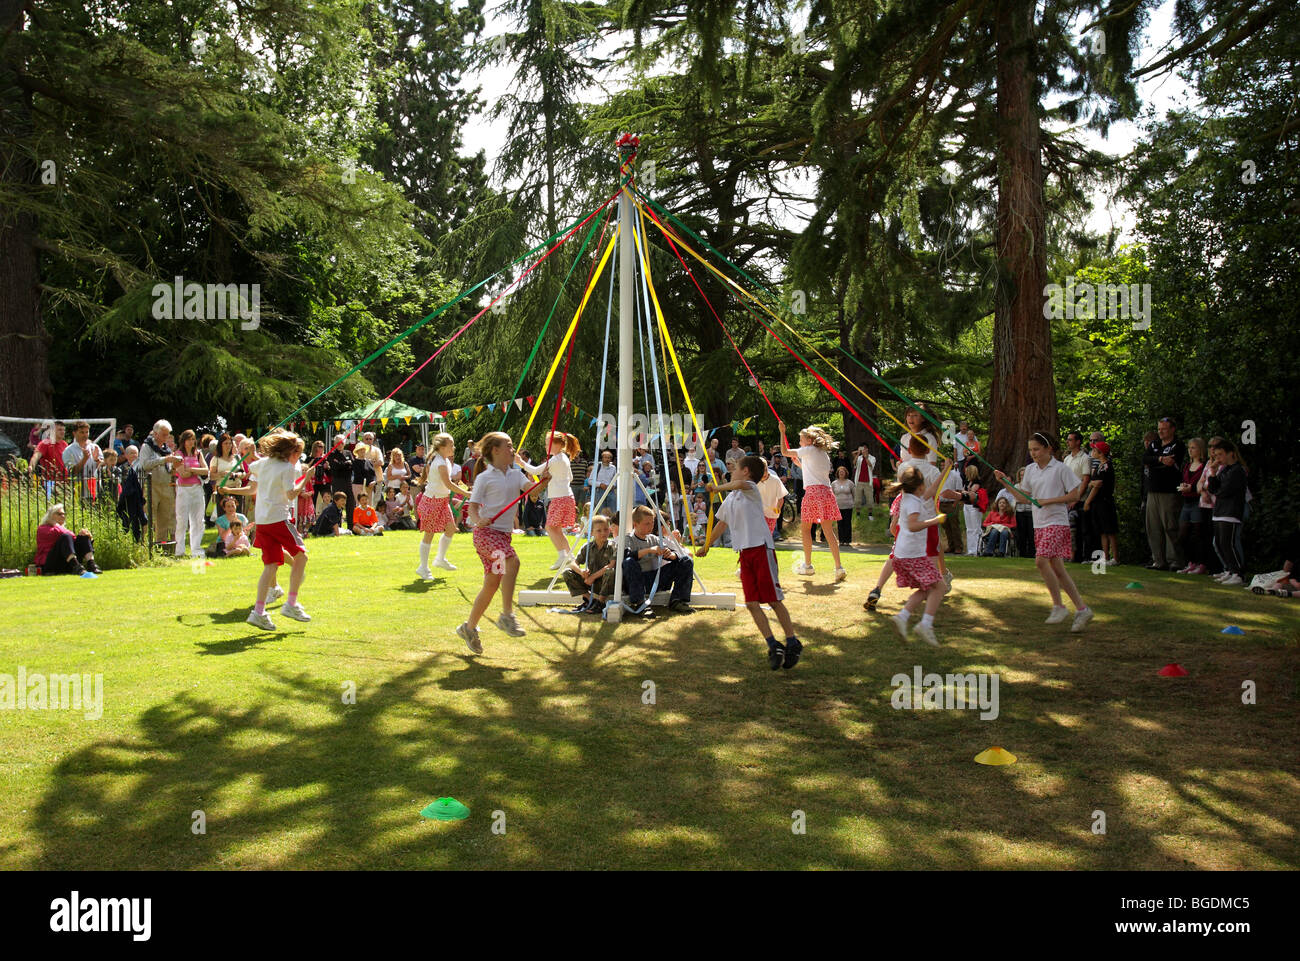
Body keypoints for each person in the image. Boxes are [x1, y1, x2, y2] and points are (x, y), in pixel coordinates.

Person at [698, 455, 801, 669]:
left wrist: (717, 488)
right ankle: (773, 645)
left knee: (773, 599)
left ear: (745, 471)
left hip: (761, 549)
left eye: (735, 468)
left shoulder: (750, 488)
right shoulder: (732, 497)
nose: (732, 471)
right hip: (744, 553)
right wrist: (706, 545)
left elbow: (739, 483)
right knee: (752, 603)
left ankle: (792, 641)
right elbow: (722, 523)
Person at [994, 432, 1093, 632]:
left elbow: (1075, 494)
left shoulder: (1060, 468)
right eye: (1031, 450)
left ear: (1048, 449)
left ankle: (1059, 606)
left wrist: (1048, 501)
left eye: (1037, 449)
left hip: (1057, 521)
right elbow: (1023, 498)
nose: (1033, 454)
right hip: (1039, 524)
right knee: (1057, 568)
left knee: (1040, 561)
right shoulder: (1030, 470)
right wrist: (1005, 482)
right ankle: (1082, 609)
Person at [457, 432, 545, 652]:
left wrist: (544, 479)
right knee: (512, 562)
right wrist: (479, 520)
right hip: (486, 535)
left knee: (492, 584)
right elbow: (473, 507)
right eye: (508, 446)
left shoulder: (516, 475)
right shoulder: (484, 478)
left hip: (503, 535)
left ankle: (469, 628)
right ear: (495, 450)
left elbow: (533, 494)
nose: (512, 450)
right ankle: (507, 615)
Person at [218, 428, 312, 630]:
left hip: (262, 522)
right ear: (290, 452)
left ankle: (258, 612)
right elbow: (290, 494)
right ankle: (291, 603)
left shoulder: (261, 464)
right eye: (297, 453)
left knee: (270, 566)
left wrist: (250, 456)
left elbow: (253, 471)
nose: (298, 457)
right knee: (301, 556)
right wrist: (306, 478)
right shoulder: (287, 468)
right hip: (278, 519)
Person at [864, 437, 958, 609]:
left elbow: (904, 493)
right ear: (929, 450)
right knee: (930, 556)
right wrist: (945, 471)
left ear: (909, 449)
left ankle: (877, 589)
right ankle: (929, 591)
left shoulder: (902, 468)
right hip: (926, 521)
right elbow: (929, 494)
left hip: (906, 520)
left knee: (895, 555)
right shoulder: (932, 470)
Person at [885, 466, 949, 646]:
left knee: (926, 589)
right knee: (940, 587)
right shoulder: (913, 502)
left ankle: (902, 617)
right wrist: (934, 521)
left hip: (903, 554)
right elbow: (913, 526)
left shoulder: (911, 497)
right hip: (913, 555)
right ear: (919, 485)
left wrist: (945, 470)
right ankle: (925, 624)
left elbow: (931, 491)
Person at [779, 421, 847, 582]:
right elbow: (815, 471)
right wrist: (800, 465)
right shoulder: (823, 454)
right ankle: (839, 567)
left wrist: (782, 432)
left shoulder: (808, 450)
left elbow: (784, 451)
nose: (800, 443)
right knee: (828, 531)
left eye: (801, 440)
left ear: (809, 441)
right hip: (826, 492)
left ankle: (808, 566)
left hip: (813, 493)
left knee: (805, 529)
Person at [517, 431, 580, 570]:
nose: (546, 447)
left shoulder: (556, 460)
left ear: (557, 445)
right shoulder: (563, 458)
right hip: (566, 497)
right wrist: (554, 477)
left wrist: (520, 462)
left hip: (560, 498)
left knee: (550, 527)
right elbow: (570, 478)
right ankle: (570, 556)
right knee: (556, 529)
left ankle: (563, 556)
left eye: (548, 444)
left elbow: (535, 471)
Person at [621, 504, 695, 616]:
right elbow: (627, 555)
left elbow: (671, 554)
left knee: (686, 561)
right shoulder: (628, 539)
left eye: (652, 523)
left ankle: (677, 600)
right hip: (634, 582)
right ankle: (641, 604)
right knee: (628, 562)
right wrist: (650, 550)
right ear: (635, 524)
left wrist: (671, 555)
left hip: (653, 579)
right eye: (647, 524)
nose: (651, 526)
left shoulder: (654, 539)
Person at [416, 433, 471, 578]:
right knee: (429, 535)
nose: (454, 447)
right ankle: (423, 568)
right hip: (432, 501)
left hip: (441, 500)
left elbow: (445, 484)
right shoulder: (440, 462)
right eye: (451, 445)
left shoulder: (443, 460)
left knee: (451, 529)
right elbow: (448, 484)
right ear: (442, 447)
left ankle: (440, 559)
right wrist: (467, 494)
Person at [1143, 416, 1186, 571]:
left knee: (1170, 526)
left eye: (1164, 429)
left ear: (1172, 429)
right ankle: (1158, 560)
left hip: (1169, 491)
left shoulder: (1178, 445)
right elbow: (1145, 458)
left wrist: (1155, 461)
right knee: (1153, 526)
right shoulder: (1154, 443)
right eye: (1159, 429)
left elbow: (1172, 462)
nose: (1160, 432)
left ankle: (1174, 560)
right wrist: (1160, 459)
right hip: (1152, 491)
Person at [136, 420, 184, 548]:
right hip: (151, 486)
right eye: (164, 435)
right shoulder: (146, 446)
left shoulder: (166, 448)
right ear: (156, 434)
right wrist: (165, 459)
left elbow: (168, 467)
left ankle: (160, 547)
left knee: (165, 518)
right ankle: (146, 547)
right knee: (149, 518)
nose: (166, 437)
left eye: (168, 435)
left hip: (166, 485)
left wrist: (174, 465)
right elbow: (145, 464)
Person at [1206, 436, 1247, 586]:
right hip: (1219, 511)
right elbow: (1212, 489)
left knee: (1228, 544)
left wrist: (1217, 488)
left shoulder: (1237, 471)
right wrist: (1212, 473)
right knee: (1220, 544)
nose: (1218, 458)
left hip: (1231, 512)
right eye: (1216, 456)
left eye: (1221, 455)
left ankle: (1238, 573)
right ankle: (1230, 570)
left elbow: (1223, 491)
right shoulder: (1224, 471)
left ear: (1231, 453)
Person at [562, 516, 618, 613]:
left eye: (605, 529)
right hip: (590, 583)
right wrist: (581, 572)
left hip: (607, 582)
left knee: (610, 571)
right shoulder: (587, 547)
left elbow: (611, 565)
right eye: (599, 531)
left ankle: (600, 603)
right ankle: (590, 600)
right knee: (567, 572)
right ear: (591, 533)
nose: (603, 533)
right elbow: (573, 563)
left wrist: (593, 577)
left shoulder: (613, 546)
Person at [34, 503, 102, 575]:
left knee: (83, 536)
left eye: (64, 514)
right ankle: (76, 566)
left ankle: (91, 565)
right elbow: (64, 534)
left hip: (66, 563)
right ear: (51, 515)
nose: (63, 516)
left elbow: (71, 539)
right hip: (50, 564)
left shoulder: (62, 530)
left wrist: (86, 538)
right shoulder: (43, 528)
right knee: (66, 537)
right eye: (59, 514)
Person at [172, 429, 209, 558]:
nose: (192, 442)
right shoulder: (178, 454)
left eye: (193, 439)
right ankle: (179, 550)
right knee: (182, 520)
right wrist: (195, 471)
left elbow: (205, 471)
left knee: (198, 520)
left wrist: (192, 469)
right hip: (184, 489)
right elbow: (183, 473)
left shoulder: (198, 454)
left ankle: (196, 550)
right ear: (183, 440)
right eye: (189, 439)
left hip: (197, 488)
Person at [1176, 437, 1208, 575]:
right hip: (1186, 502)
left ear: (1200, 449)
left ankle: (1201, 563)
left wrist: (1192, 488)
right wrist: (1183, 486)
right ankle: (1191, 561)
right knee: (1183, 534)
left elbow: (1204, 483)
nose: (1190, 450)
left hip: (1197, 502)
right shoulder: (1187, 466)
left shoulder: (1204, 465)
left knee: (1197, 534)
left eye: (1193, 448)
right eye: (1189, 448)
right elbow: (1183, 479)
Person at [1083, 441, 1119, 565]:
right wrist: (1092, 483)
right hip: (1098, 502)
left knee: (1110, 530)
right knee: (1102, 530)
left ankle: (1115, 557)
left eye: (1094, 450)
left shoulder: (1107, 466)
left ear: (1101, 453)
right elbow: (1092, 483)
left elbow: (1097, 485)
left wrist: (1087, 501)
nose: (1092, 452)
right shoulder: (1099, 466)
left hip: (1105, 501)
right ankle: (1106, 557)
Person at [1063, 431, 1092, 563]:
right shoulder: (1067, 459)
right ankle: (1071, 554)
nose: (1068, 442)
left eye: (1070, 440)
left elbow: (1085, 479)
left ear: (1078, 441)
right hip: (1068, 498)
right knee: (1070, 529)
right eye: (1067, 440)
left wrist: (1076, 498)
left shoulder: (1084, 458)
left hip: (1081, 499)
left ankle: (1085, 556)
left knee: (1084, 529)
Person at [61, 420, 102, 497]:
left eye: (87, 432)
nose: (85, 435)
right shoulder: (68, 451)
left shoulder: (95, 447)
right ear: (74, 433)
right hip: (79, 491)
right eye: (82, 432)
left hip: (96, 490)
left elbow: (103, 468)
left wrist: (97, 460)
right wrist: (84, 459)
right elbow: (72, 472)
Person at [957, 464, 989, 555]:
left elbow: (971, 493)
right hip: (966, 506)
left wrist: (965, 492)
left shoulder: (977, 482)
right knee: (969, 528)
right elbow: (963, 492)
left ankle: (977, 549)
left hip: (974, 507)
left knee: (976, 528)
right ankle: (970, 549)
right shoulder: (967, 482)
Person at [209, 434, 241, 523]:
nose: (228, 446)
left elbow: (243, 472)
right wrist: (222, 474)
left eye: (230, 443)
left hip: (237, 489)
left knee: (237, 517)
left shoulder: (237, 458)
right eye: (225, 443)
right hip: (223, 490)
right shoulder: (216, 459)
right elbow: (211, 475)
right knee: (224, 518)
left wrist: (236, 475)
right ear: (221, 445)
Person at [30, 420, 69, 484]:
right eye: (60, 430)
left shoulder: (65, 444)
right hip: (49, 482)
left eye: (63, 430)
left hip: (64, 481)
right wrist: (31, 466)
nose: (62, 432)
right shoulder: (45, 443)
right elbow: (36, 456)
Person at [587, 448, 617, 514]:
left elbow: (615, 480)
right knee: (601, 511)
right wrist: (600, 484)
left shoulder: (613, 468)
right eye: (605, 457)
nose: (607, 459)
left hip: (610, 491)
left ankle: (613, 524)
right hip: (599, 491)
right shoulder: (597, 467)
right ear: (602, 458)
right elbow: (590, 481)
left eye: (609, 458)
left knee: (613, 511)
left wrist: (613, 485)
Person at [831, 466, 855, 545]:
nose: (841, 473)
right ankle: (841, 540)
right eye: (840, 472)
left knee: (847, 523)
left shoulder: (850, 483)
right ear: (837, 473)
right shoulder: (834, 483)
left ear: (845, 473)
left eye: (843, 472)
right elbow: (832, 495)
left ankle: (847, 541)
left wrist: (854, 503)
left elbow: (854, 494)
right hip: (838, 507)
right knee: (840, 524)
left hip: (848, 506)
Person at [852, 445, 876, 521]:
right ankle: (858, 515)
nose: (863, 450)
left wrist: (866, 457)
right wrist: (858, 453)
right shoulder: (859, 458)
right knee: (858, 500)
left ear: (867, 449)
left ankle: (870, 515)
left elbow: (871, 466)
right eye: (862, 449)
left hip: (868, 482)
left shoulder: (872, 458)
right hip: (858, 481)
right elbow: (854, 463)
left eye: (864, 448)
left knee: (870, 500)